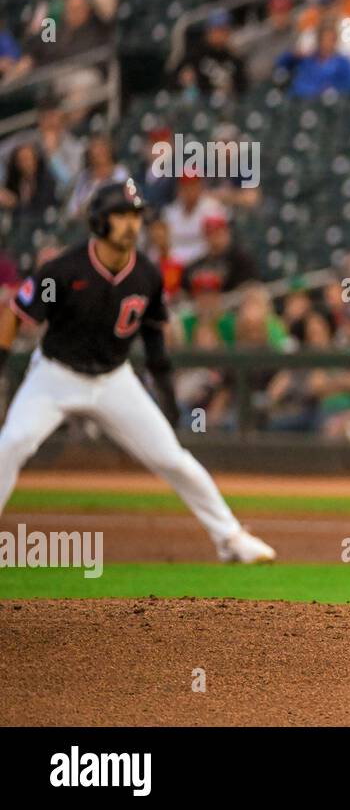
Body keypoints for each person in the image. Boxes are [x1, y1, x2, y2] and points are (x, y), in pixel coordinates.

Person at [0, 180, 275, 563]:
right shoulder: (62, 270)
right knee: (12, 442)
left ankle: (231, 538)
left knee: (171, 458)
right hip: (55, 376)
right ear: (98, 221)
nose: (131, 224)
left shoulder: (146, 274)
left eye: (135, 216)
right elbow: (14, 315)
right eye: (121, 215)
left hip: (114, 378)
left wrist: (165, 396)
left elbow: (154, 340)